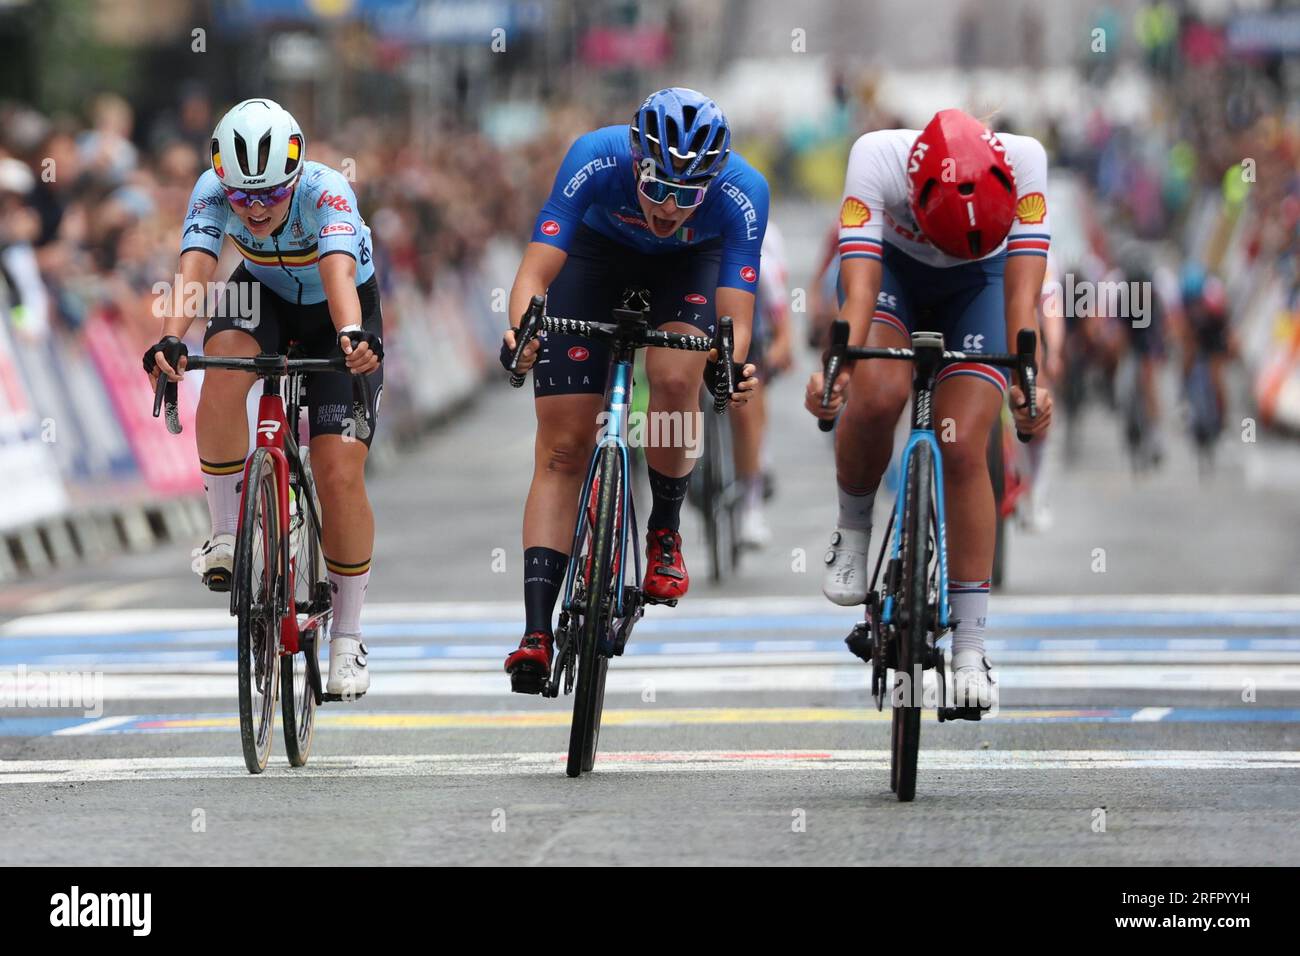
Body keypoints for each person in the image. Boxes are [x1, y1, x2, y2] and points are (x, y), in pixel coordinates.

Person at [500, 87, 765, 693]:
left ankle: (664, 531)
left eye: (687, 195)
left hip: (689, 269)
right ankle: (536, 633)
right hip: (594, 258)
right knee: (564, 447)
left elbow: (736, 316)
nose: (670, 208)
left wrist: (730, 364)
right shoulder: (594, 157)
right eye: (658, 189)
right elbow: (536, 271)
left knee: (676, 376)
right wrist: (521, 332)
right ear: (635, 160)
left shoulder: (743, 192)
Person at [805, 109, 1054, 707]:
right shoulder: (876, 158)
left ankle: (971, 649)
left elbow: (1022, 298)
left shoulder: (1027, 165)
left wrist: (1028, 386)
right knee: (880, 394)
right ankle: (854, 530)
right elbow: (859, 289)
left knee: (965, 441)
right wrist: (837, 371)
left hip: (982, 284)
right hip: (895, 276)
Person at [143, 98, 382, 699]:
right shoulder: (211, 190)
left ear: (294, 176)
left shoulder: (328, 193)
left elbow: (337, 281)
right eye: (242, 197)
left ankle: (348, 637)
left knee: (338, 470)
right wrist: (172, 335)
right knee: (220, 373)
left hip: (338, 309)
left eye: (270, 195)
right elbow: (195, 269)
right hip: (262, 295)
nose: (255, 209)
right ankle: (225, 532)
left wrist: (351, 337)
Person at [732, 220, 793, 547]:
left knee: (747, 401)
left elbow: (780, 318)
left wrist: (781, 343)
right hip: (698, 315)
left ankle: (751, 503)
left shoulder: (763, 248)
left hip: (747, 322)